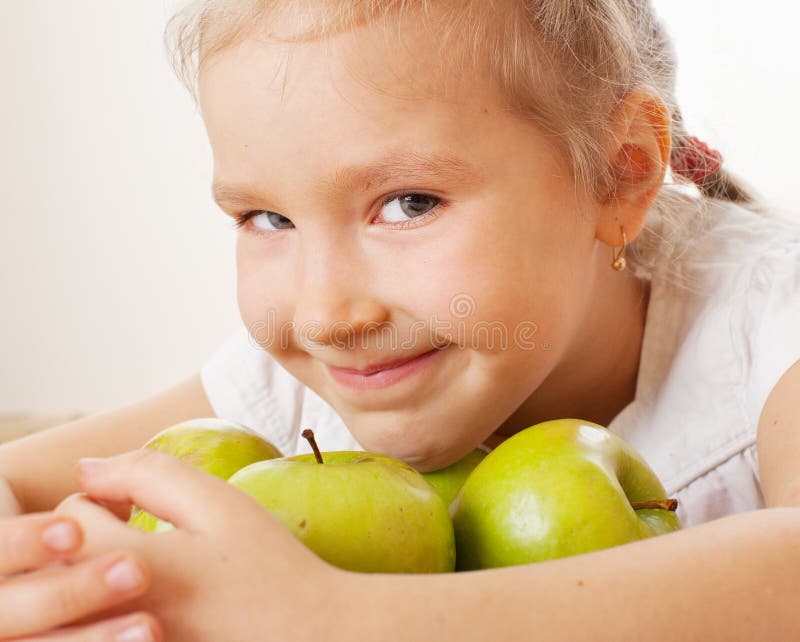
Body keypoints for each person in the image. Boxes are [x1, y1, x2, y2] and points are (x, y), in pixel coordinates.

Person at [1, 1, 799, 640]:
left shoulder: (768, 313)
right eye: (268, 219)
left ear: (620, 174)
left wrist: (330, 618)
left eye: (409, 204)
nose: (325, 316)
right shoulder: (319, 380)